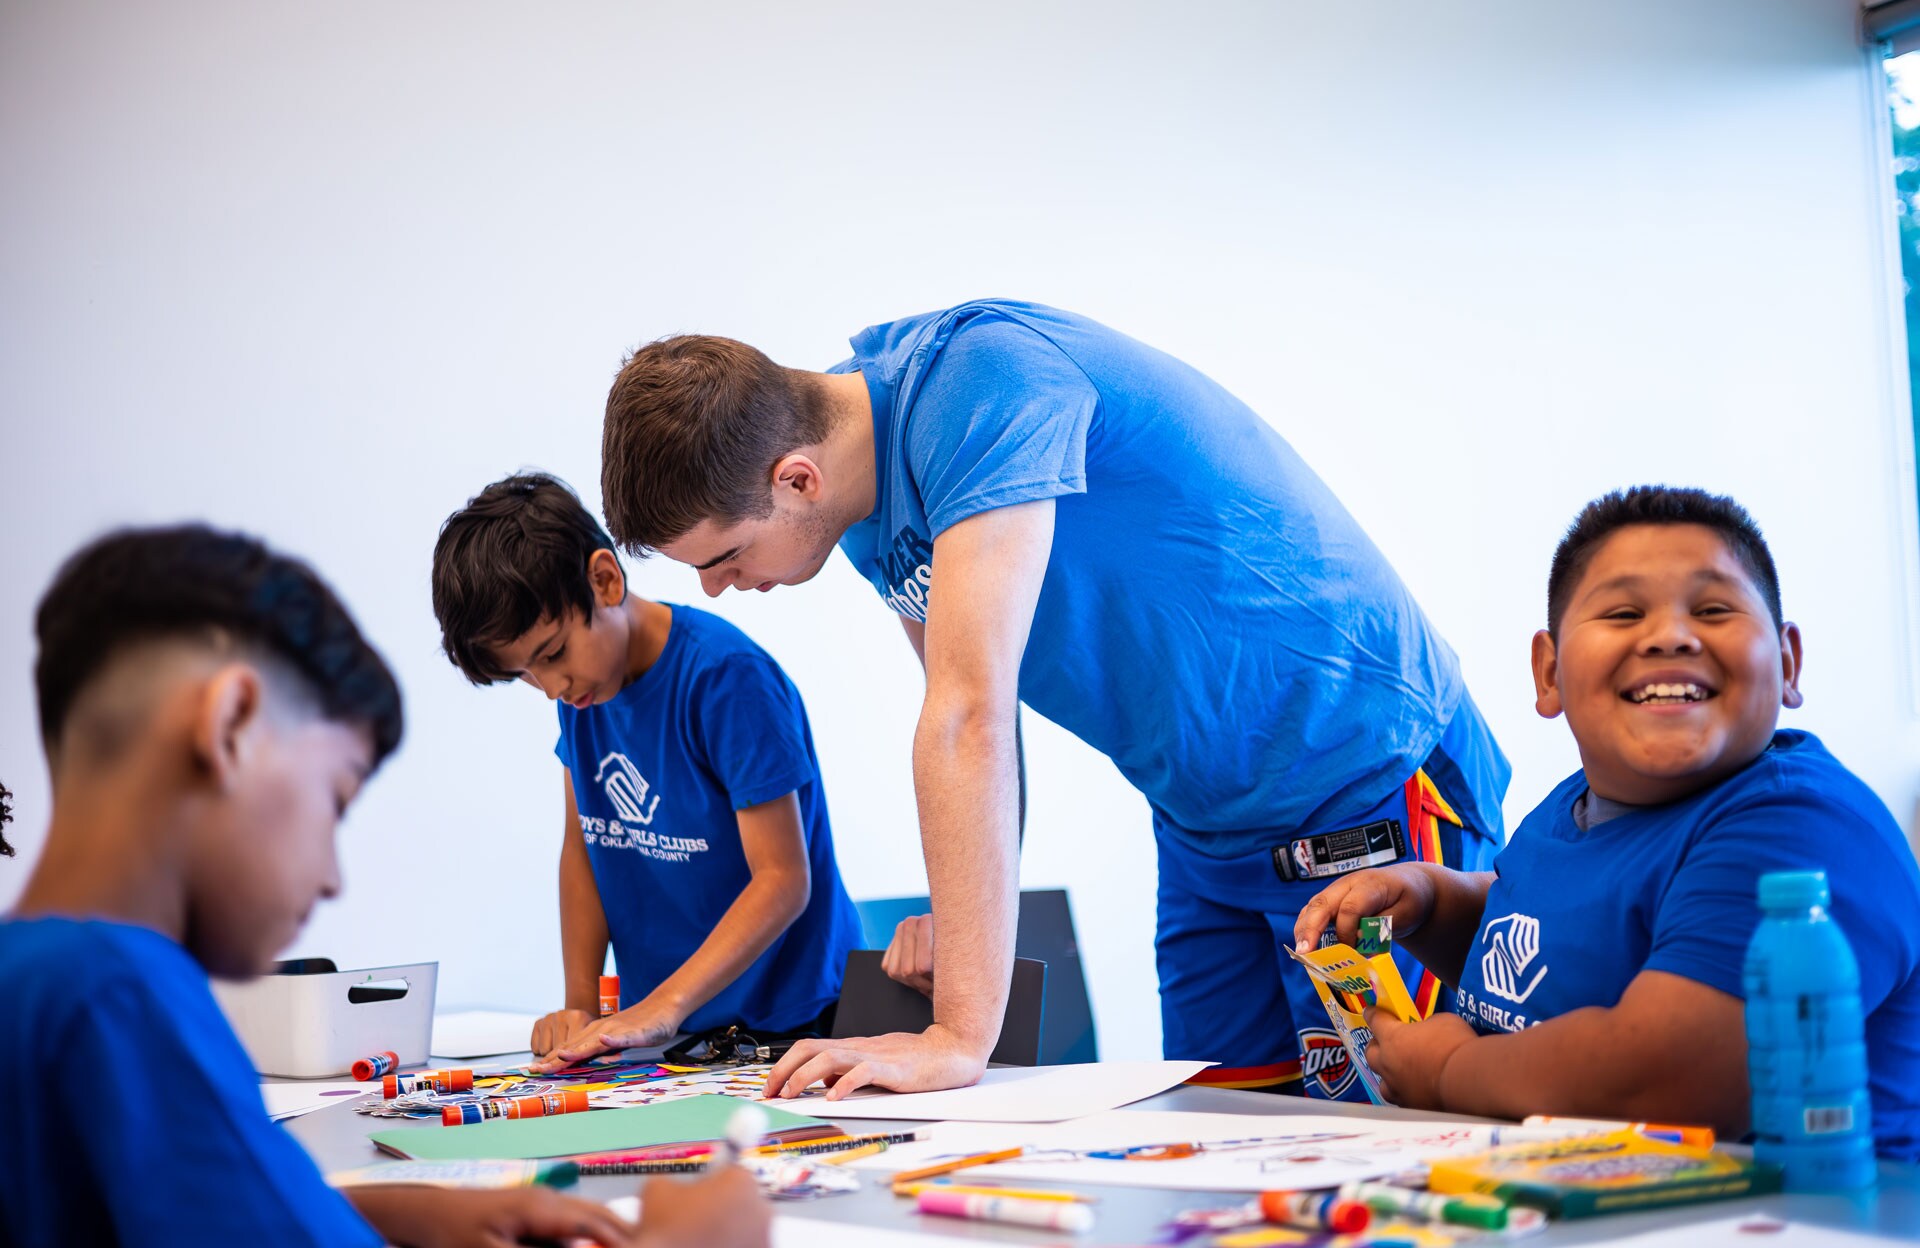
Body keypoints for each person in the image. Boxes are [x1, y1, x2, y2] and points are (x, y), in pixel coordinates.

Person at [598, 299, 1510, 1101]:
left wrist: (958, 1034)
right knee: (1233, 1147)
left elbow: (969, 715)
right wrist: (964, 929)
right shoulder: (856, 493)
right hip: (1203, 830)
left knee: (1396, 1146)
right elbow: (977, 703)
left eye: (724, 557)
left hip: (1363, 779)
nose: (715, 589)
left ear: (797, 478)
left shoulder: (983, 382)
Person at [0, 524, 770, 1246]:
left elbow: (237, 1212)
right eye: (331, 800)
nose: (331, 879)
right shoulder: (120, 1002)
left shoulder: (41, 979)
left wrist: (410, 1212)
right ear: (230, 726)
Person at [1294, 486, 1920, 1159]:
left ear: (1789, 662)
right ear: (1550, 673)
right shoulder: (1575, 804)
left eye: (1713, 609)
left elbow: (1667, 1077)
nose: (1671, 635)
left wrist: (1450, 1073)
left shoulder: (1798, 827)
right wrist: (1432, 901)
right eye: (1624, 613)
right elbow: (1549, 946)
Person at [432, 473, 861, 1069]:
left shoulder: (725, 679)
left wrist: (664, 1004)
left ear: (605, 580)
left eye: (552, 654)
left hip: (794, 1027)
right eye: (524, 673)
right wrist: (580, 1005)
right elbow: (584, 847)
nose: (550, 686)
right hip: (672, 1037)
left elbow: (784, 880)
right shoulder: (583, 693)